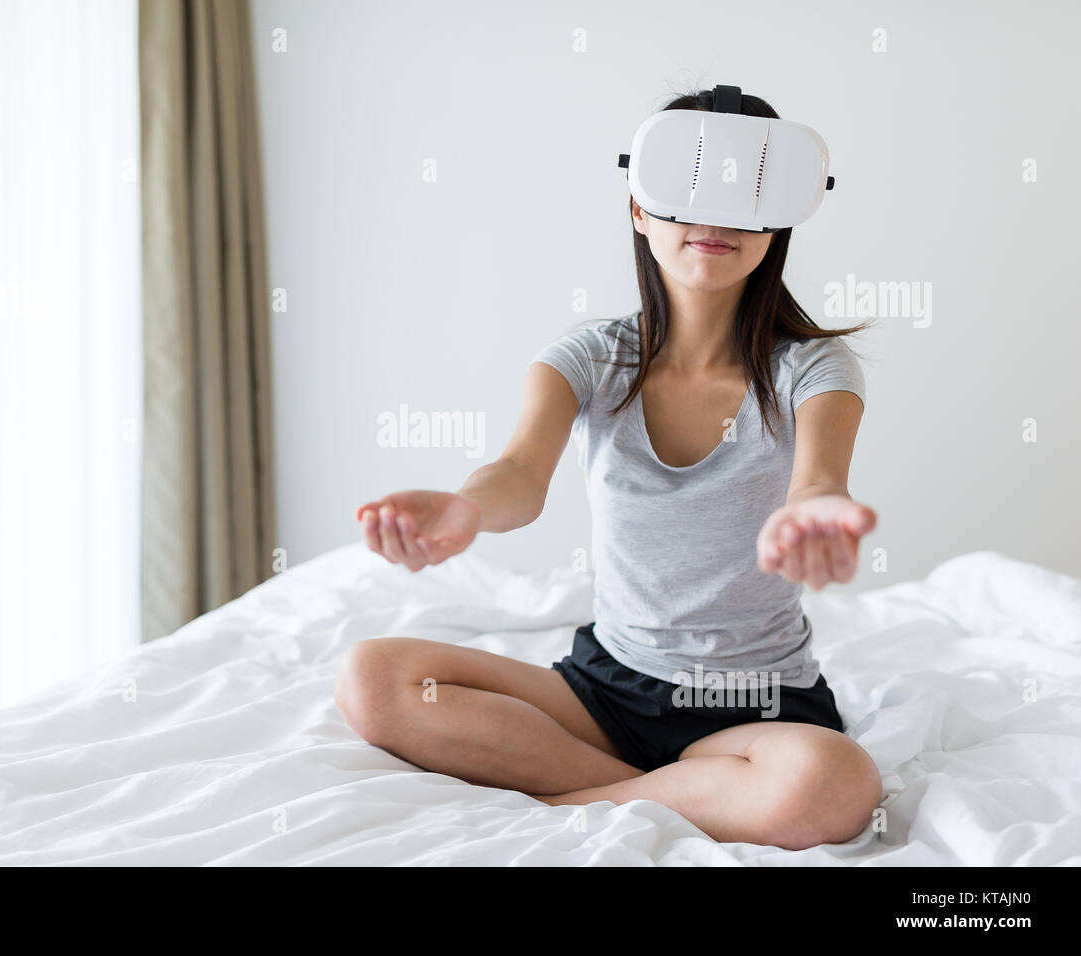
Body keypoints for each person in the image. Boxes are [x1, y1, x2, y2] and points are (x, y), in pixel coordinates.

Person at [334, 88, 882, 850]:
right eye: (687, 194)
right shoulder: (590, 358)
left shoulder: (814, 369)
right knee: (372, 677)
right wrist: (465, 507)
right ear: (638, 207)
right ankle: (654, 791)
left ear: (779, 217)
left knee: (837, 784)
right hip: (606, 691)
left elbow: (819, 483)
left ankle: (586, 793)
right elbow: (520, 474)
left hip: (758, 702)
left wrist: (814, 512)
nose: (713, 222)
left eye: (743, 196)